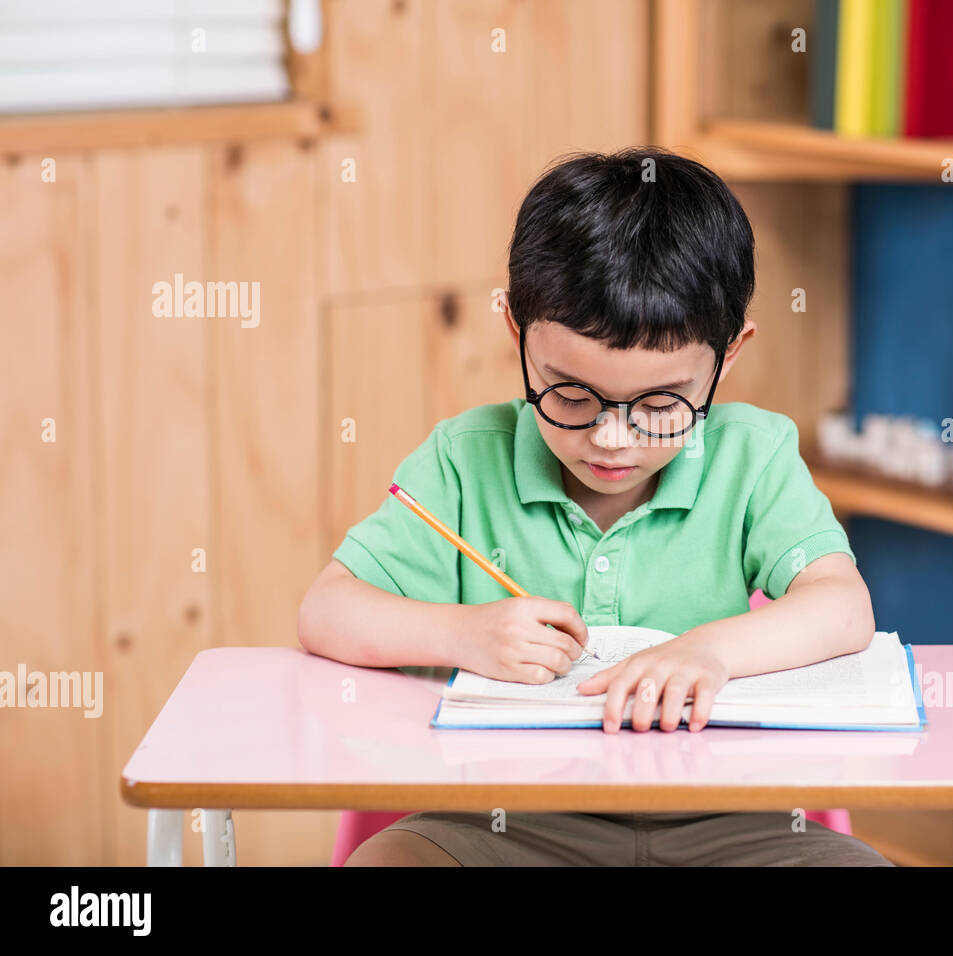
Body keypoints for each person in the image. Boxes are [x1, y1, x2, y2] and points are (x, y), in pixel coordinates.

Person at [298, 147, 891, 866]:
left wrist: (707, 652)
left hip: (727, 820)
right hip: (502, 820)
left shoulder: (754, 457)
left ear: (729, 357)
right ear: (516, 332)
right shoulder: (463, 461)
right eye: (571, 394)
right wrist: (464, 635)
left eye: (663, 404)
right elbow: (326, 611)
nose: (612, 438)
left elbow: (843, 605)